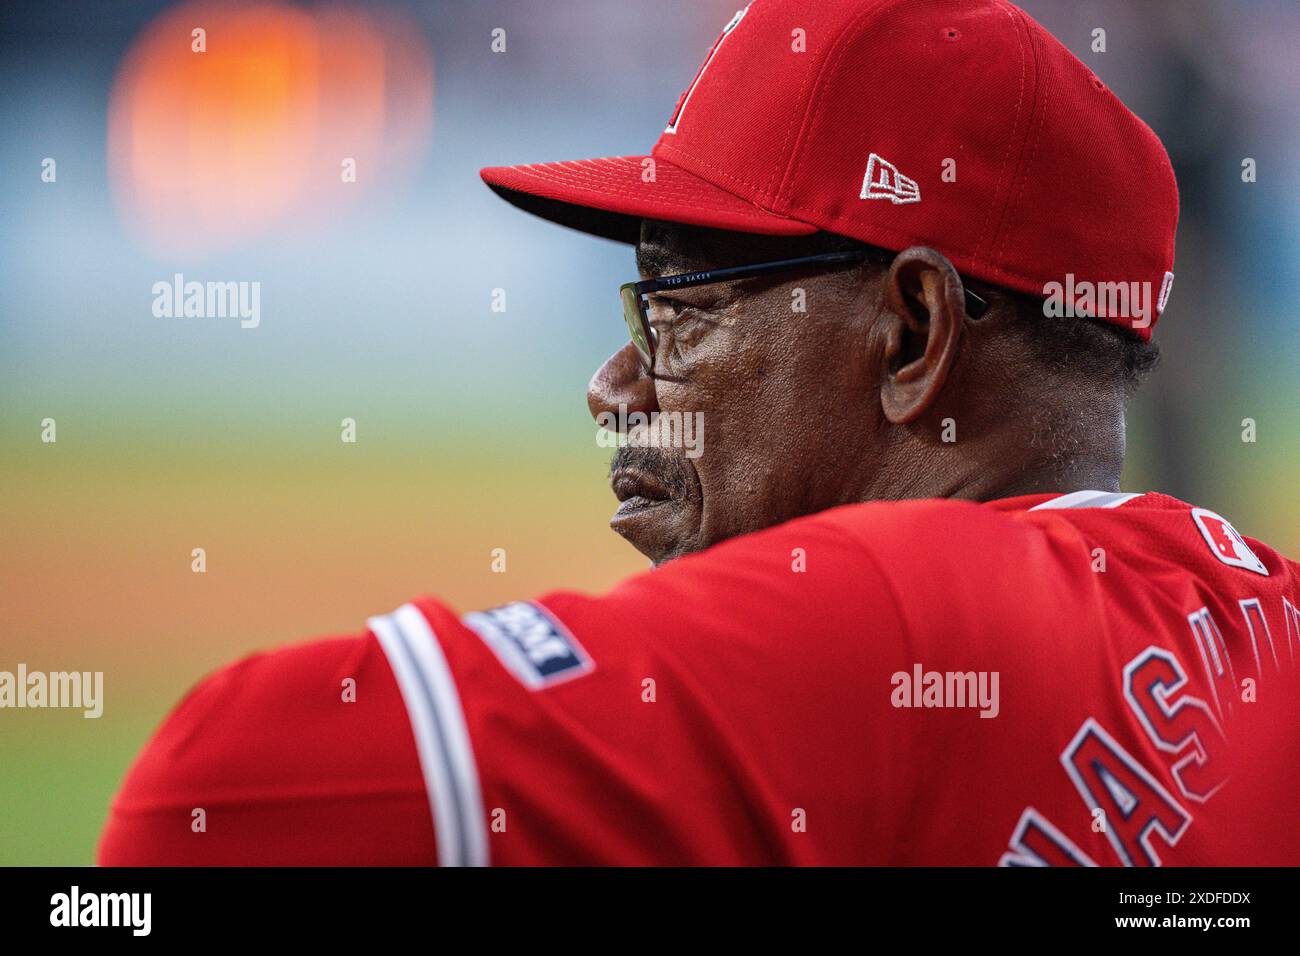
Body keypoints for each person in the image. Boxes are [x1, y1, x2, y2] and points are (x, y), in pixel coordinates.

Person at [99, 0, 1298, 866]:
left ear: (912, 333)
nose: (615, 382)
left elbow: (211, 796)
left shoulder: (890, 614)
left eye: (677, 308)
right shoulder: (1261, 612)